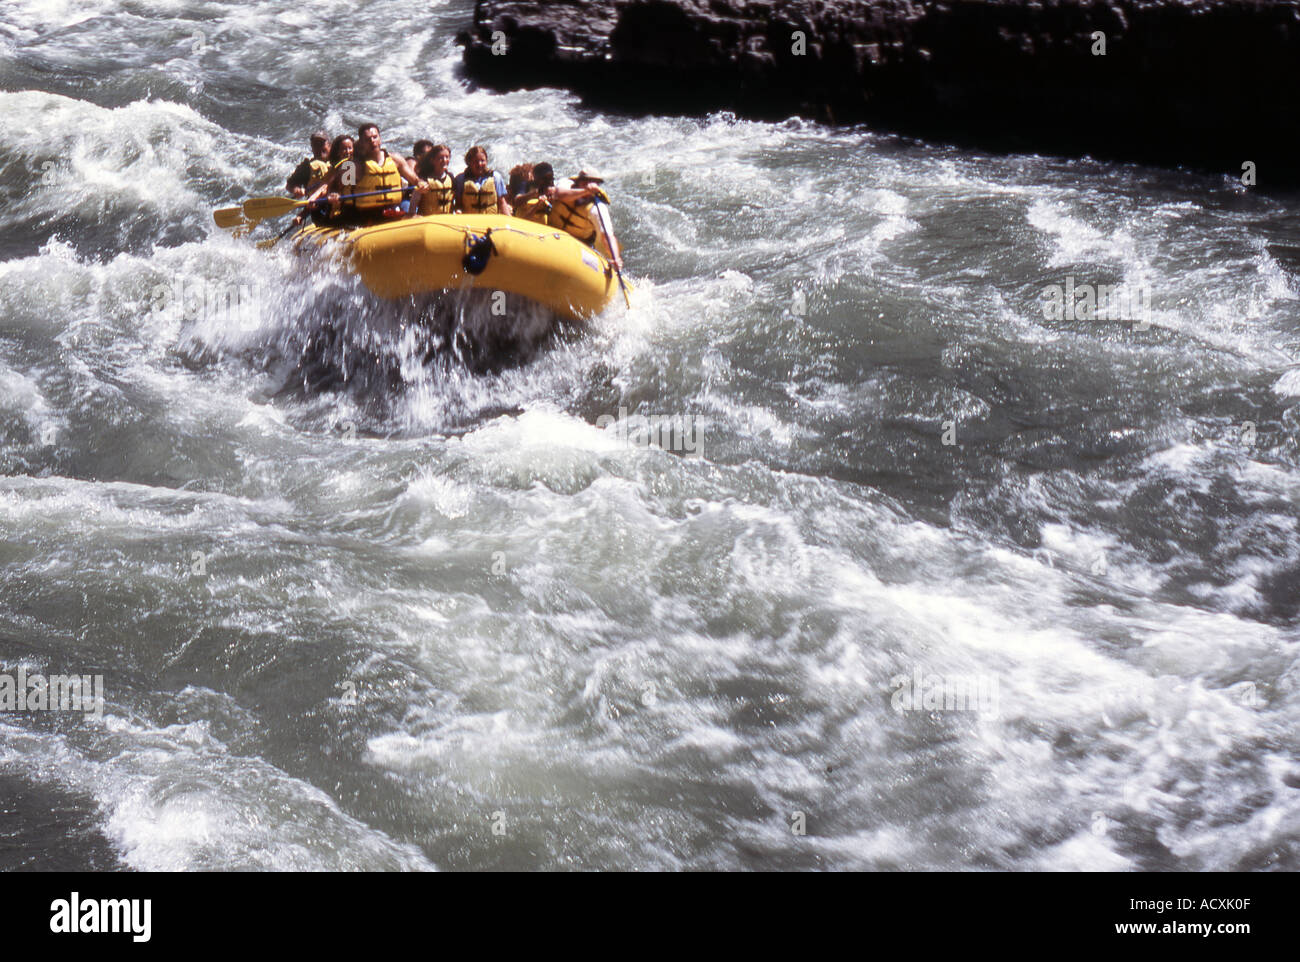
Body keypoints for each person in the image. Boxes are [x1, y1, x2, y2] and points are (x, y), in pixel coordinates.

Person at [305, 123, 425, 225]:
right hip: (360, 215)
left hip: (390, 211)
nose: (372, 141)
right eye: (367, 139)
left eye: (375, 137)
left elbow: (415, 180)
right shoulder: (355, 166)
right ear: (361, 143)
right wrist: (330, 195)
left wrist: (422, 184)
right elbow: (335, 187)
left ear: (380, 139)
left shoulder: (396, 160)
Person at [549, 168, 623, 270]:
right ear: (578, 181)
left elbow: (607, 236)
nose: (587, 184)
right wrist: (585, 191)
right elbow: (560, 195)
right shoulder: (565, 184)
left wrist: (615, 257)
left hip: (577, 245)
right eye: (584, 181)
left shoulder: (598, 208)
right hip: (550, 233)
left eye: (592, 182)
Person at [454, 146, 510, 215]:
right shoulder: (461, 179)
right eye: (475, 161)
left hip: (491, 221)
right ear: (469, 163)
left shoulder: (496, 177)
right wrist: (458, 212)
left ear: (486, 161)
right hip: (469, 221)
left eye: (482, 161)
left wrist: (509, 219)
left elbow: (501, 202)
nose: (479, 164)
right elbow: (458, 204)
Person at [409, 144, 455, 216]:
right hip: (428, 221)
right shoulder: (424, 179)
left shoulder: (451, 177)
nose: (444, 160)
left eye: (447, 157)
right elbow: (414, 202)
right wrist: (413, 215)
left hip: (446, 220)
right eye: (440, 158)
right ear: (432, 160)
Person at [285, 130, 331, 197]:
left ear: (330, 146)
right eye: (315, 145)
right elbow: (290, 185)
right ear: (312, 148)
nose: (319, 148)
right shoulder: (306, 167)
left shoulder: (338, 163)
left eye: (321, 144)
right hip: (315, 204)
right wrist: (296, 190)